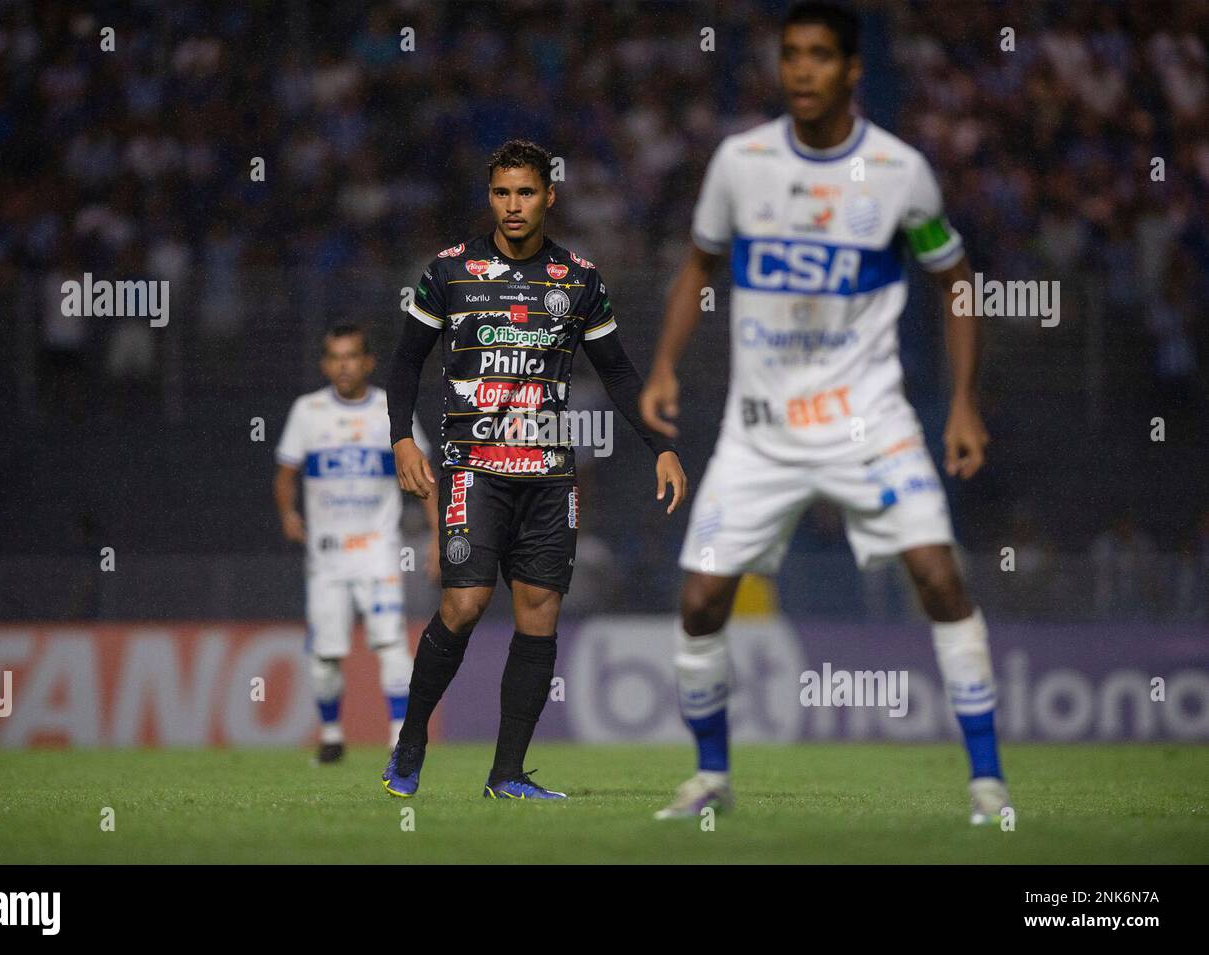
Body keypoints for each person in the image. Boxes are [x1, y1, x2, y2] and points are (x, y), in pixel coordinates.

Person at [639, 1, 1011, 825]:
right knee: (700, 598)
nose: (800, 70)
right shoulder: (740, 161)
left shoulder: (899, 170)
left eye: (818, 56)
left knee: (941, 579)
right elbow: (697, 266)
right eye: (790, 55)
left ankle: (988, 784)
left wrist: (963, 404)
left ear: (851, 70)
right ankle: (711, 777)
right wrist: (663, 364)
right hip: (761, 429)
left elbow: (956, 282)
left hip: (870, 421)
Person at [383, 139, 685, 799]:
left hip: (550, 474)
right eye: (501, 192)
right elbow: (406, 362)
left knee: (539, 615)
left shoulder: (578, 279)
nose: (513, 205)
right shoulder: (450, 271)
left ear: (549, 195)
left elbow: (619, 372)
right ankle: (411, 739)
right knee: (463, 603)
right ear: (490, 197)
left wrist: (659, 443)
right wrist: (401, 439)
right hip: (475, 469)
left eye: (525, 192)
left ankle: (506, 774)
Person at [275, 324, 438, 764]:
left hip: (378, 549)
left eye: (351, 356)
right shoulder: (307, 411)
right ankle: (331, 736)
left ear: (368, 362)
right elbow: (286, 474)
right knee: (325, 653)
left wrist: (438, 537)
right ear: (325, 364)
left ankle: (398, 739)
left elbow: (423, 474)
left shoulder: (390, 408)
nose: (343, 365)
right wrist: (289, 512)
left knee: (391, 644)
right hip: (327, 555)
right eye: (334, 357)